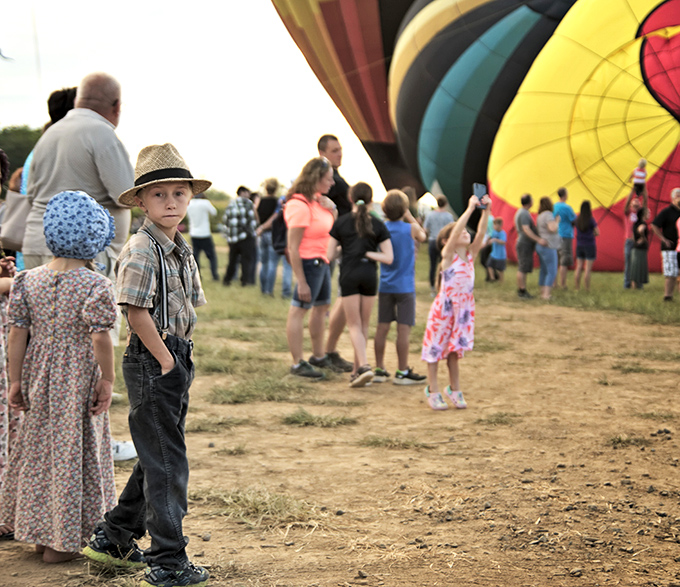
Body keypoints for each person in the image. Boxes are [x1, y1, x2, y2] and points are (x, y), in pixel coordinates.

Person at [83, 143, 210, 587]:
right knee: (168, 462)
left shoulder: (178, 248)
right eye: (160, 194)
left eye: (180, 192)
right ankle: (168, 560)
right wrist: (167, 362)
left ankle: (115, 535)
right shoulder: (141, 249)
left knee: (158, 452)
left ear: (191, 196)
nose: (171, 201)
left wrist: (180, 357)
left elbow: (187, 305)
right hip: (154, 358)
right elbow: (135, 314)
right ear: (140, 200)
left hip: (175, 354)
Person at [0, 191, 117, 563]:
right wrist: (108, 379)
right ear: (94, 238)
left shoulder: (26, 280)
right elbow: (100, 337)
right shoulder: (96, 285)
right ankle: (63, 541)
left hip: (37, 372)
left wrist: (14, 380)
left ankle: (39, 532)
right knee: (73, 450)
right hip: (77, 375)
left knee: (40, 449)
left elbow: (16, 332)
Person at [23, 73, 132, 271]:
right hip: (85, 251)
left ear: (78, 101)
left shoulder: (49, 135)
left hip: (36, 243)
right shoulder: (102, 133)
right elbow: (126, 196)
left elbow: (31, 194)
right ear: (116, 106)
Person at [421, 194, 491, 410]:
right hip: (444, 310)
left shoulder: (470, 255)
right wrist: (469, 209)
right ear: (446, 241)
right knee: (435, 350)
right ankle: (432, 390)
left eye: (464, 231)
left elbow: (480, 232)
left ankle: (454, 388)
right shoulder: (448, 256)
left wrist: (485, 210)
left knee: (454, 352)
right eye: (459, 232)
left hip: (462, 313)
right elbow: (454, 236)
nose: (465, 233)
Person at [327, 182, 393, 387]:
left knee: (354, 325)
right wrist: (368, 254)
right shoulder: (378, 224)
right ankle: (357, 371)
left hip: (349, 274)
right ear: (371, 199)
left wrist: (346, 250)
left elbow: (329, 255)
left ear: (350, 198)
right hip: (369, 275)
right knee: (363, 325)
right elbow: (389, 257)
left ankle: (363, 366)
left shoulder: (341, 223)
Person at [284, 157, 338, 379]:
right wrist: (302, 280)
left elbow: (331, 229)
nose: (332, 183)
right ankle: (298, 363)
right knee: (298, 310)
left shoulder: (318, 202)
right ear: (316, 178)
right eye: (328, 178)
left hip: (322, 261)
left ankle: (318, 355)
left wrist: (333, 209)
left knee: (322, 307)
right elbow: (292, 248)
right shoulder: (299, 205)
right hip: (308, 263)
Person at [373, 189, 427, 385]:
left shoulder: (381, 228)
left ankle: (379, 369)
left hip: (386, 285)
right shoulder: (409, 229)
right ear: (404, 209)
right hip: (405, 287)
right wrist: (410, 216)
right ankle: (402, 371)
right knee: (403, 331)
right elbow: (422, 236)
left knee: (382, 327)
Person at [318, 135, 354, 373]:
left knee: (339, 297)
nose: (339, 154)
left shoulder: (336, 177)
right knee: (326, 301)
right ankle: (324, 352)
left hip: (345, 244)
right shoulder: (323, 178)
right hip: (333, 244)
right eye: (334, 150)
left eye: (340, 149)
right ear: (322, 153)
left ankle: (328, 351)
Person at [222, 186, 257, 287]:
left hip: (233, 238)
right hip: (245, 237)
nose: (249, 195)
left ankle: (227, 280)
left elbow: (226, 220)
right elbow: (252, 220)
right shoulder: (248, 203)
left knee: (232, 260)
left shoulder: (231, 204)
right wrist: (253, 233)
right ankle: (244, 281)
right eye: (247, 192)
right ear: (242, 192)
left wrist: (227, 235)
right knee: (246, 260)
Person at [514, 194, 546, 299]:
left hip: (524, 243)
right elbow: (526, 229)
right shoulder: (523, 213)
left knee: (524, 267)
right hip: (524, 244)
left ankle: (523, 290)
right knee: (523, 267)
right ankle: (522, 291)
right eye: (532, 199)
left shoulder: (522, 212)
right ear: (529, 202)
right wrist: (538, 240)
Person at [651, 188, 680, 301]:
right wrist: (663, 239)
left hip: (679, 247)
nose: (679, 197)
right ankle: (668, 296)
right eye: (677, 195)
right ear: (672, 198)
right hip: (669, 248)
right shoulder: (667, 212)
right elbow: (654, 225)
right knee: (671, 273)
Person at [255, 178, 282, 295]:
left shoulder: (260, 200)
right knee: (272, 264)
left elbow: (255, 212)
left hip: (261, 233)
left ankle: (262, 289)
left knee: (264, 263)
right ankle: (268, 291)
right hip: (272, 233)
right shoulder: (277, 202)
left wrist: (260, 226)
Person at [423, 196, 454, 296]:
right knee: (444, 266)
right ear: (445, 203)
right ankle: (443, 287)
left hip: (432, 241)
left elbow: (425, 229)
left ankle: (433, 288)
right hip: (444, 243)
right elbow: (453, 230)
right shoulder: (448, 216)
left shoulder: (430, 215)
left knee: (433, 265)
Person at [186, 193, 219, 281]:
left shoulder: (189, 203)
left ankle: (197, 276)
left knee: (196, 257)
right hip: (205, 233)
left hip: (194, 233)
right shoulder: (205, 202)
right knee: (211, 256)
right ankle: (214, 275)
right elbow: (214, 212)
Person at [535, 197, 560, 300]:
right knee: (552, 270)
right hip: (549, 246)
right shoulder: (548, 215)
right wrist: (557, 221)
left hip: (541, 245)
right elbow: (552, 228)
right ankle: (546, 295)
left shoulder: (539, 216)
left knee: (544, 270)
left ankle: (542, 292)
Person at [623, 188, 647, 289]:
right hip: (629, 240)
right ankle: (627, 284)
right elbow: (627, 202)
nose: (636, 201)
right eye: (634, 201)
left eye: (638, 200)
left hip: (638, 242)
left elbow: (645, 202)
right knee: (628, 263)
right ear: (631, 205)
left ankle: (639, 284)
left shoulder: (641, 214)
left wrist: (644, 190)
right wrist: (632, 191)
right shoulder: (628, 212)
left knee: (639, 263)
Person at [552, 187, 576, 289]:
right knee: (564, 261)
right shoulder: (567, 208)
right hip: (566, 235)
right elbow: (574, 220)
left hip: (555, 235)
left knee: (555, 260)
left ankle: (554, 284)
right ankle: (563, 284)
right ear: (565, 195)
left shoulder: (554, 207)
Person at [574, 200, 599, 291]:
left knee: (579, 267)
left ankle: (577, 287)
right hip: (589, 245)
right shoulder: (591, 219)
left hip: (579, 245)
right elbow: (597, 232)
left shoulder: (577, 219)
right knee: (587, 268)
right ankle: (587, 288)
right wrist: (592, 232)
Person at [630, 207, 650, 289]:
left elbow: (633, 235)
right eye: (648, 213)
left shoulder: (635, 223)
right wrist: (643, 238)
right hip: (640, 248)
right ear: (643, 215)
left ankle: (635, 285)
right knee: (639, 267)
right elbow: (640, 230)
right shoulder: (643, 224)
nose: (649, 215)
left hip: (635, 248)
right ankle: (635, 286)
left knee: (635, 266)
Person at [486, 217, 507, 283]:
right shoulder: (493, 232)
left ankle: (501, 281)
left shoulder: (502, 233)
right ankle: (492, 278)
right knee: (489, 265)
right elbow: (490, 237)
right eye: (494, 225)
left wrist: (495, 240)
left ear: (500, 225)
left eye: (495, 225)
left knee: (500, 269)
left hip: (500, 255)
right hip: (493, 254)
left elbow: (503, 242)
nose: (494, 226)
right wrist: (488, 241)